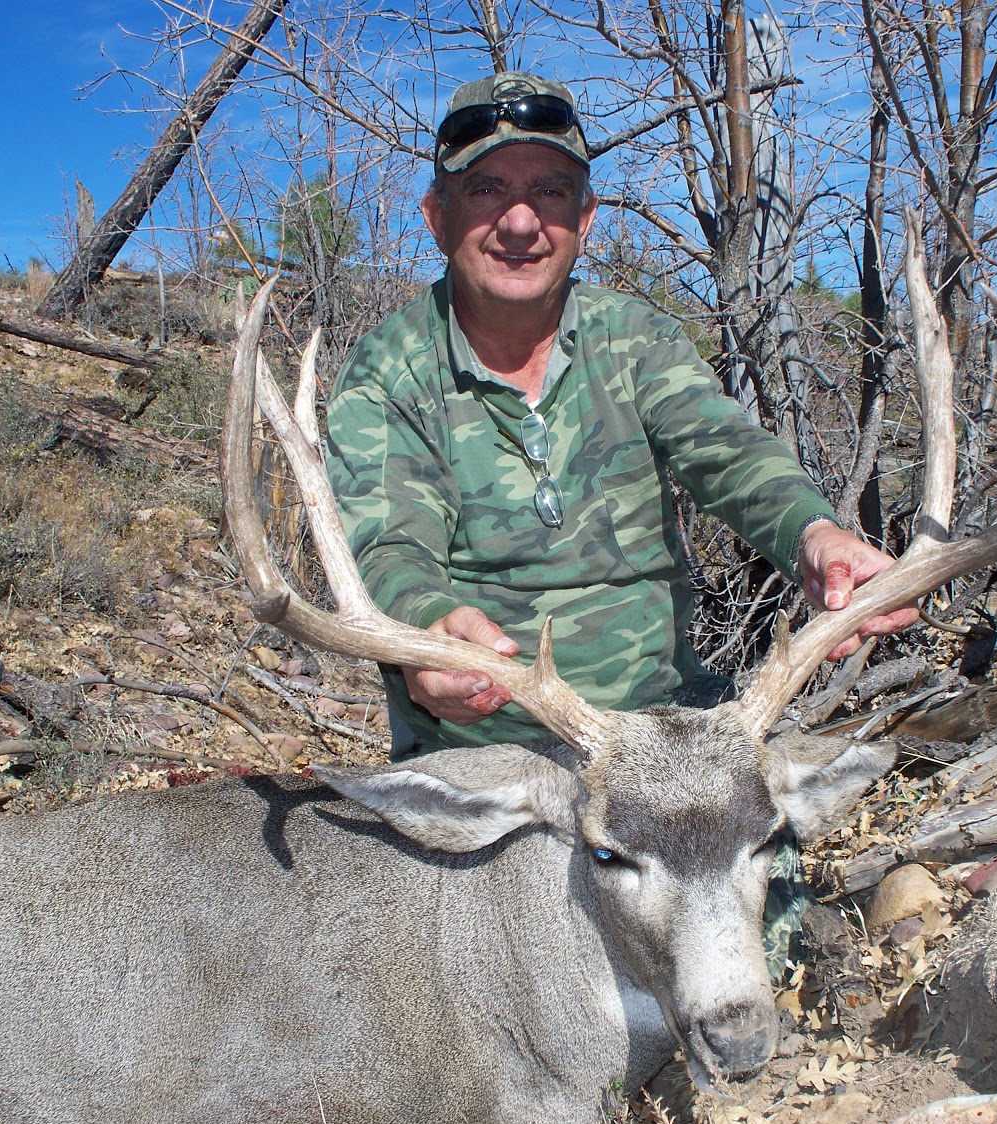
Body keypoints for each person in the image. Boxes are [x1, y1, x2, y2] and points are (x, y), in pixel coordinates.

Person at [324, 70, 913, 762]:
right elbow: (391, 546)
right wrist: (427, 629)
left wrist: (813, 536)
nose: (520, 222)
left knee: (772, 859)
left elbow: (726, 451)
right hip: (484, 752)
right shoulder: (386, 372)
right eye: (487, 191)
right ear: (437, 216)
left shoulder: (636, 339)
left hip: (660, 729)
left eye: (550, 192)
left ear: (585, 220)